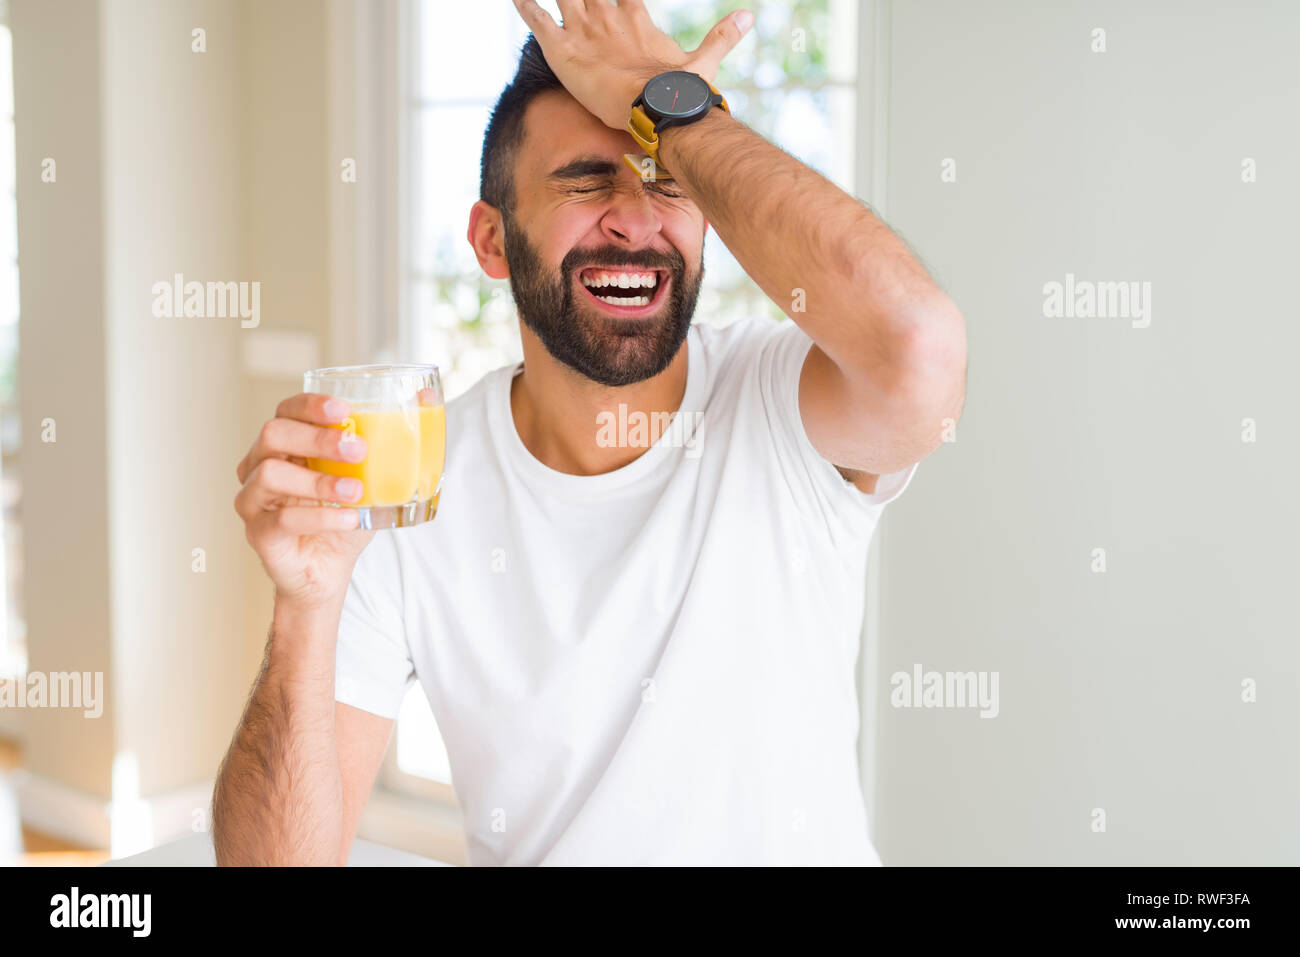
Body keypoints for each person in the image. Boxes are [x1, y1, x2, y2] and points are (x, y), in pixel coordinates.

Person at [214, 1, 966, 866]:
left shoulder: (786, 409)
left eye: (670, 182)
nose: (635, 219)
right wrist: (306, 610)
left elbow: (919, 346)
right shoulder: (409, 492)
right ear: (492, 240)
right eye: (584, 182)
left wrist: (670, 104)